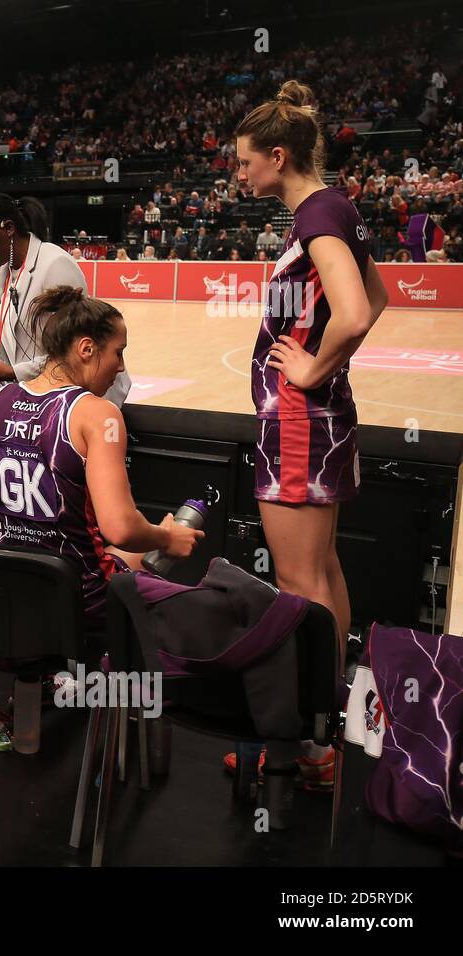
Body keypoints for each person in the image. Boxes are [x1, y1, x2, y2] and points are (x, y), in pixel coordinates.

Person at [232, 80, 388, 787]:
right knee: (323, 572)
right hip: (323, 417)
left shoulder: (317, 215)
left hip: (300, 421)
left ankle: (311, 745)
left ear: (277, 154)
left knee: (297, 582)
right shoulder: (337, 210)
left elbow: (354, 313)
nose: (239, 175)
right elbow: (378, 296)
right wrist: (324, 370)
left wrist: (307, 370)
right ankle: (336, 721)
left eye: (244, 163)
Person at [0, 286, 202, 635]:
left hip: (2, 594)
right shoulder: (98, 415)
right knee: (165, 571)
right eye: (118, 353)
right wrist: (167, 538)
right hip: (80, 600)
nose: (120, 368)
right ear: (86, 349)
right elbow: (120, 528)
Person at [0, 192, 131, 405]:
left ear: (9, 228)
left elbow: (75, 353)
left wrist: (12, 372)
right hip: (33, 400)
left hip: (73, 406)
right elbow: (11, 357)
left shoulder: (56, 265)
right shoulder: (4, 272)